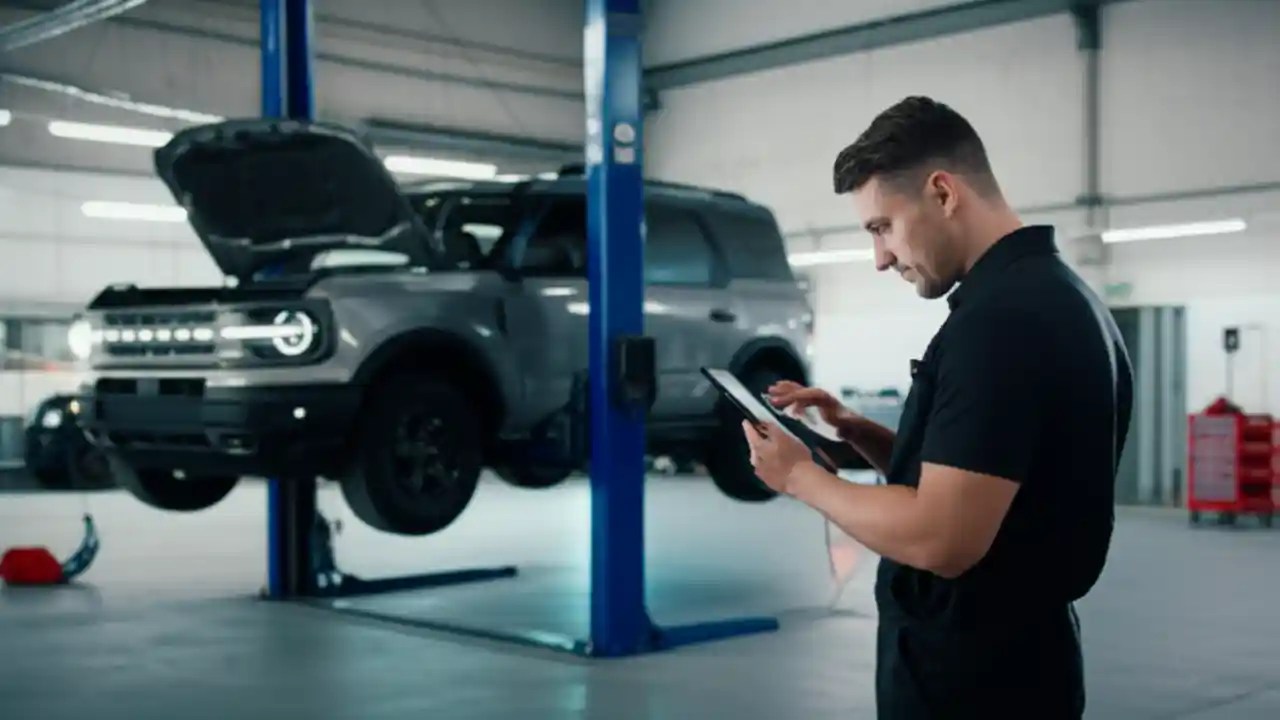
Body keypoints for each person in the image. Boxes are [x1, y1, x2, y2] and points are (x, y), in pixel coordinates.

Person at [742, 96, 1134, 719]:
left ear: (943, 193)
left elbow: (941, 535)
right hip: (1020, 664)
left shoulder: (1000, 323)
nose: (881, 257)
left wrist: (800, 477)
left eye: (882, 227)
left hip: (973, 682)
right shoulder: (1057, 296)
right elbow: (987, 483)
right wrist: (856, 430)